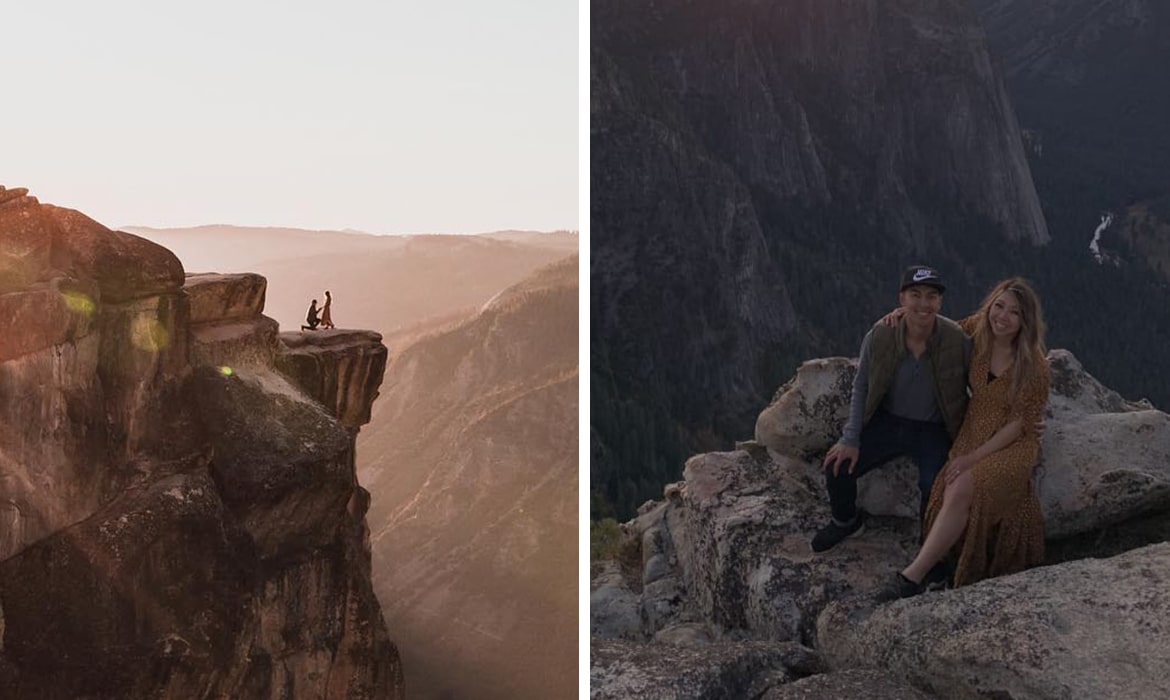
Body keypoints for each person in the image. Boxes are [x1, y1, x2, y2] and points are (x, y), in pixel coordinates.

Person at [880, 277, 1050, 598]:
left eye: (1013, 312)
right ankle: (934, 567)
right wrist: (904, 315)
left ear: (1025, 320)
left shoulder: (1034, 366)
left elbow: (1017, 425)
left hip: (1011, 443)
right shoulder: (977, 329)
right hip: (974, 428)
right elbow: (939, 331)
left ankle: (912, 576)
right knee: (953, 485)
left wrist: (973, 458)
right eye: (998, 306)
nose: (1002, 316)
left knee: (962, 482)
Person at [811, 265, 972, 553]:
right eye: (915, 295)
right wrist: (850, 438)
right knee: (838, 466)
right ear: (902, 299)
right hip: (889, 421)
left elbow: (981, 367)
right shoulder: (880, 335)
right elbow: (861, 386)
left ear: (940, 302)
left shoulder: (956, 339)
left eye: (931, 296)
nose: (923, 304)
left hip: (932, 428)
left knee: (934, 485)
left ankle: (931, 550)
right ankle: (846, 521)